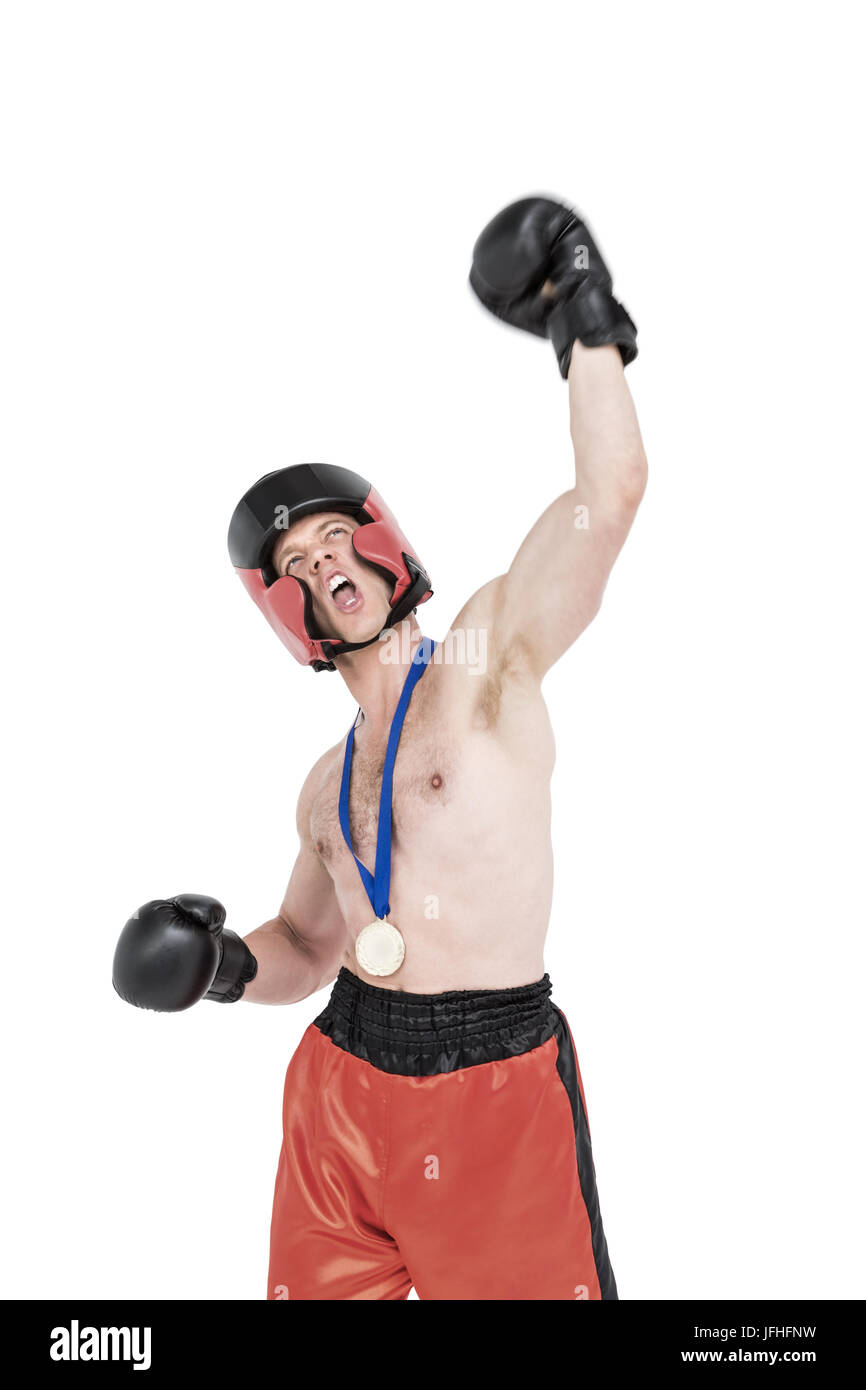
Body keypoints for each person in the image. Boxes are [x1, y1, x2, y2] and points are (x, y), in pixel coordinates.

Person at [113, 194, 647, 1301]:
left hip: (491, 1084)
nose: (321, 568)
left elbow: (608, 495)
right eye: (294, 567)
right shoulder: (322, 785)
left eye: (331, 540)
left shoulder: (487, 664)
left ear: (382, 544)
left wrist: (579, 318)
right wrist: (220, 969)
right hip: (341, 1083)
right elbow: (306, 946)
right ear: (285, 613)